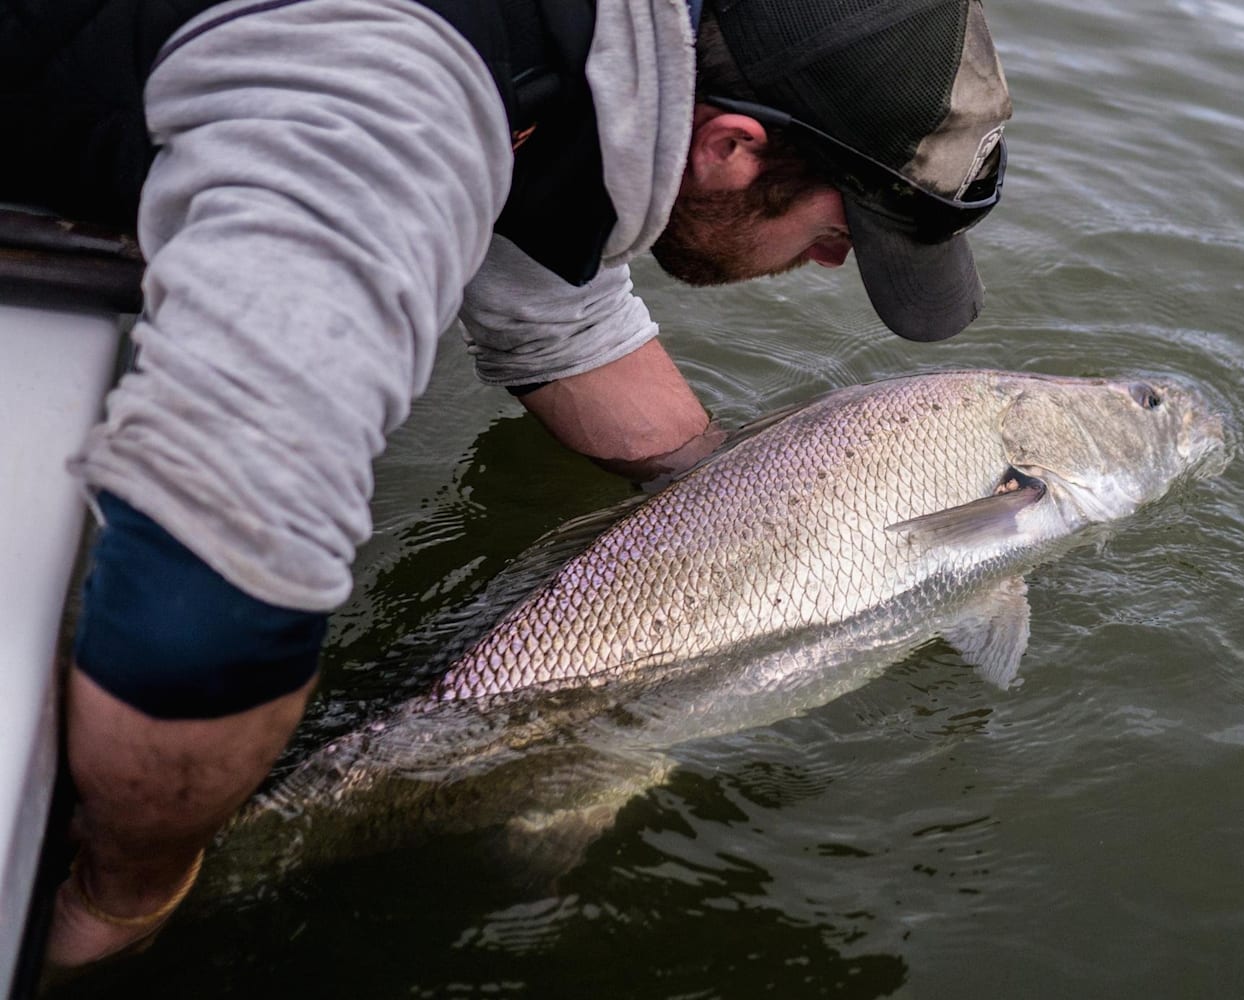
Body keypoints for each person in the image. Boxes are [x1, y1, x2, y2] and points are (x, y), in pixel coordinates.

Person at [3, 0, 1011, 967]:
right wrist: (127, 891)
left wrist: (744, 491)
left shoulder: (579, 43)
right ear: (733, 147)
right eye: (849, 234)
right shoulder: (390, 106)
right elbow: (207, 607)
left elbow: (555, 303)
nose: (836, 263)